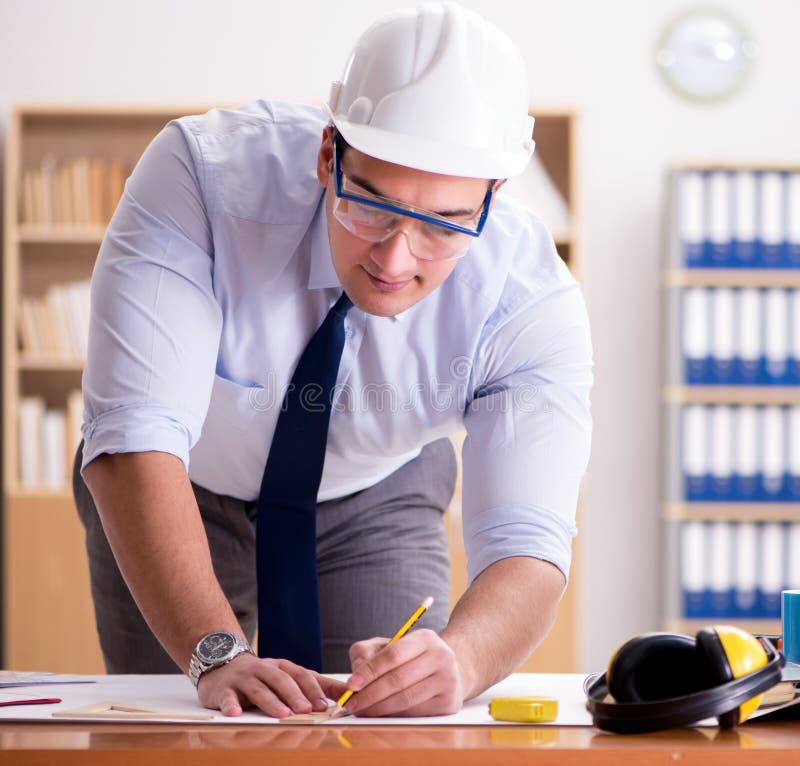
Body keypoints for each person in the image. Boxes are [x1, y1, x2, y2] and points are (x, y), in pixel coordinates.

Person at [74, 1, 592, 719]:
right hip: (176, 484)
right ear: (328, 154)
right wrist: (214, 651)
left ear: (491, 200)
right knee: (172, 727)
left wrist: (464, 661)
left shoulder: (527, 300)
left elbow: (528, 542)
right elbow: (134, 435)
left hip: (376, 491)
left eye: (442, 224)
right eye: (371, 205)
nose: (395, 258)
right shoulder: (202, 176)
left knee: (390, 719)